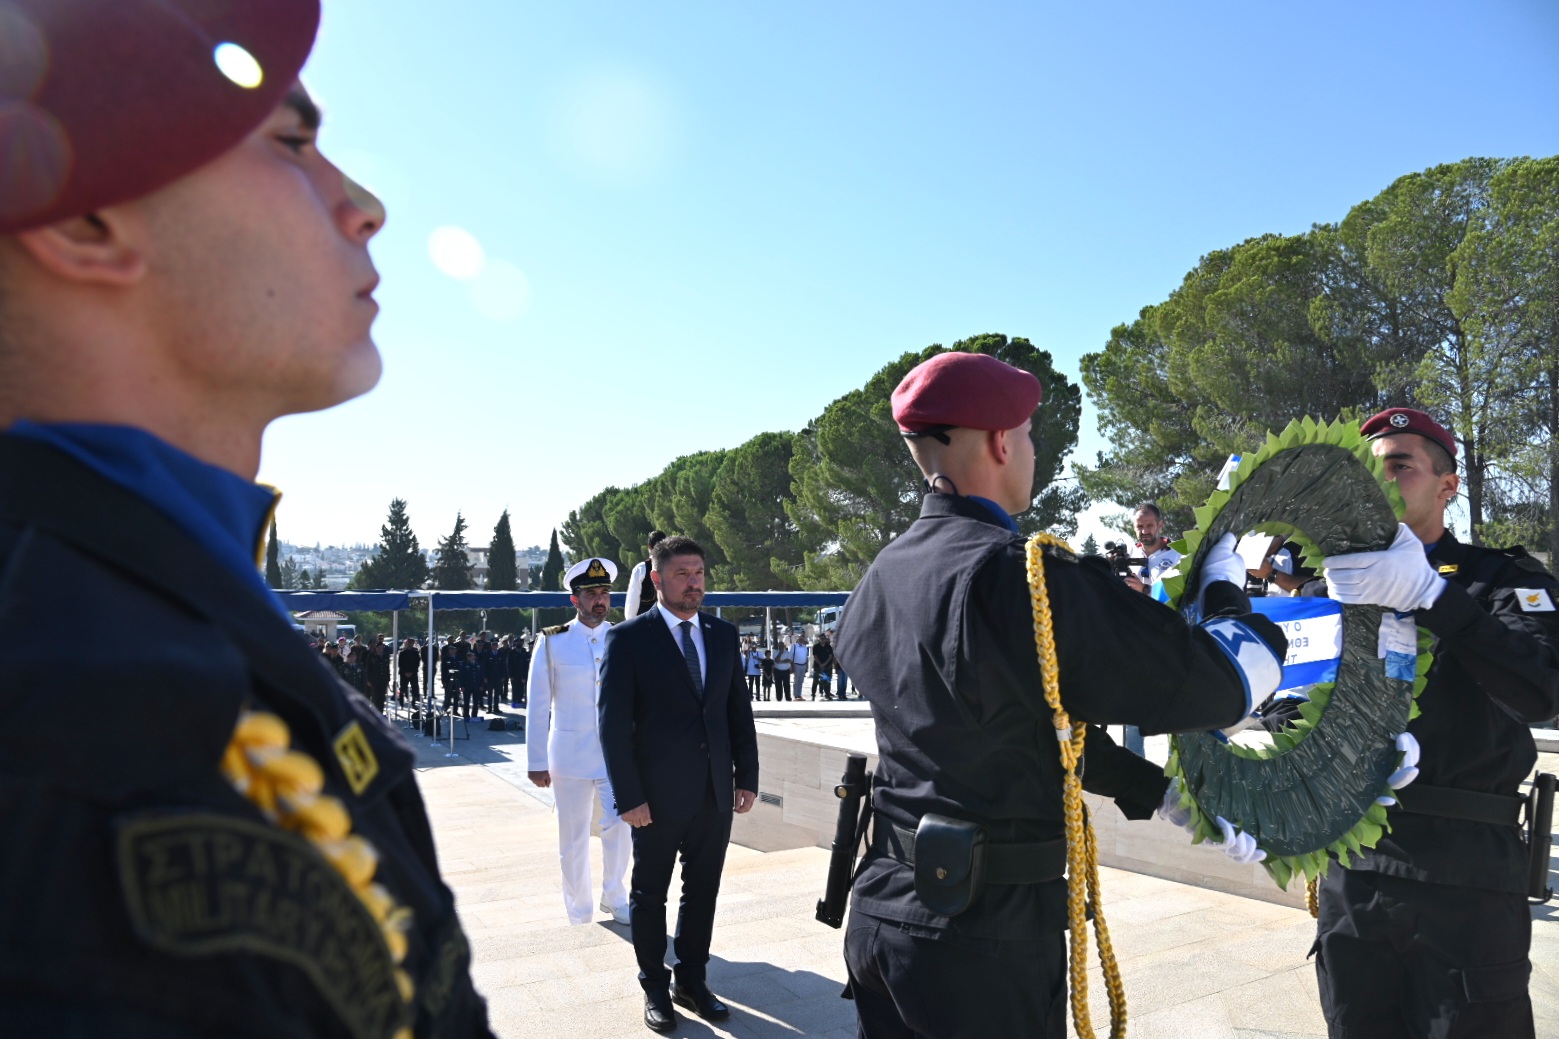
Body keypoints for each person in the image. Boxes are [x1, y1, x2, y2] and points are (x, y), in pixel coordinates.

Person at [0, 3, 493, 1034]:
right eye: (291, 141)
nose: (363, 205)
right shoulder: (63, 715)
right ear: (81, 222)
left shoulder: (130, 609)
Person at [835, 351, 1289, 1039]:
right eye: (1027, 434)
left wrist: (1157, 790)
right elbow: (1228, 683)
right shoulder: (1024, 577)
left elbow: (1024, 729)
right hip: (983, 939)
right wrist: (1224, 581)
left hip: (883, 915)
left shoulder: (883, 572)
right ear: (998, 441)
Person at [1312, 407, 1559, 1039]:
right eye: (1369, 470)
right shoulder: (1335, 593)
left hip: (1465, 876)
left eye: (1400, 464)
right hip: (1356, 872)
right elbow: (1296, 717)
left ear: (1448, 485)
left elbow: (1544, 692)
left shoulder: (1501, 580)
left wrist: (1435, 599)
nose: (1382, 479)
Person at [598, 535, 759, 1034]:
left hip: (714, 793)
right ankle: (654, 987)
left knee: (703, 892)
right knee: (649, 896)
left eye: (699, 574)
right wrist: (629, 798)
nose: (694, 584)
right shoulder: (628, 639)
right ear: (657, 579)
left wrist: (746, 777)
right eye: (682, 575)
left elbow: (738, 712)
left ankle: (691, 980)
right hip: (655, 799)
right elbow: (613, 726)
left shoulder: (721, 634)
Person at [526, 558, 631, 926]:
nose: (600, 601)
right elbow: (538, 703)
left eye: (604, 593)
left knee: (622, 823)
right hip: (568, 757)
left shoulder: (621, 637)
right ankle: (580, 909)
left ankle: (616, 896)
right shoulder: (553, 641)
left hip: (614, 757)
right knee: (573, 839)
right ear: (575, 600)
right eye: (591, 594)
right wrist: (536, 760)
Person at [1122, 501, 1181, 594]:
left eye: (1149, 526)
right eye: (1140, 526)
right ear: (1134, 527)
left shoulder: (1178, 554)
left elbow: (1181, 593)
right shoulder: (1127, 554)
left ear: (1160, 525)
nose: (1145, 531)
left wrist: (1145, 590)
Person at [623, 530, 667, 620]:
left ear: (649, 547)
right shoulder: (675, 568)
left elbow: (632, 602)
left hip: (645, 624)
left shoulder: (641, 569)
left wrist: (630, 624)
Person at [810, 633, 835, 699]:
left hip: (827, 667)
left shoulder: (828, 647)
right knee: (815, 681)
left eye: (824, 638)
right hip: (818, 667)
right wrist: (820, 664)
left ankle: (827, 694)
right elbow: (815, 656)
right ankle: (813, 695)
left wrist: (824, 664)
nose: (823, 640)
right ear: (819, 639)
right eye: (821, 638)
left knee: (827, 681)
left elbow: (830, 656)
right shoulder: (816, 646)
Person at [789, 634, 809, 701]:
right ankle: (795, 695)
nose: (801, 640)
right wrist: (792, 666)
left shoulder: (804, 647)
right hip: (796, 664)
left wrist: (806, 666)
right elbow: (791, 656)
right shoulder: (794, 646)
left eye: (802, 639)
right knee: (796, 681)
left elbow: (806, 657)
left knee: (801, 681)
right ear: (797, 640)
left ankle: (799, 694)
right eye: (799, 639)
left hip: (803, 665)